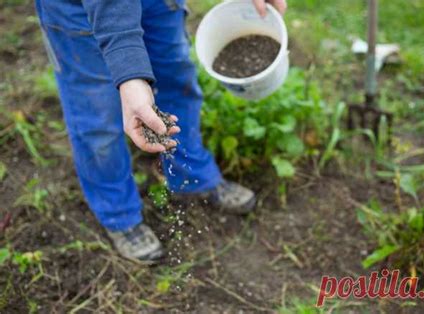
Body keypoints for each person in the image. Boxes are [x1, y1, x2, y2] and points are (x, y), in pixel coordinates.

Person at [35, 0, 287, 264]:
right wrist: (131, 75)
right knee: (97, 113)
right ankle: (118, 214)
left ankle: (189, 175)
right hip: (81, 9)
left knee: (175, 76)